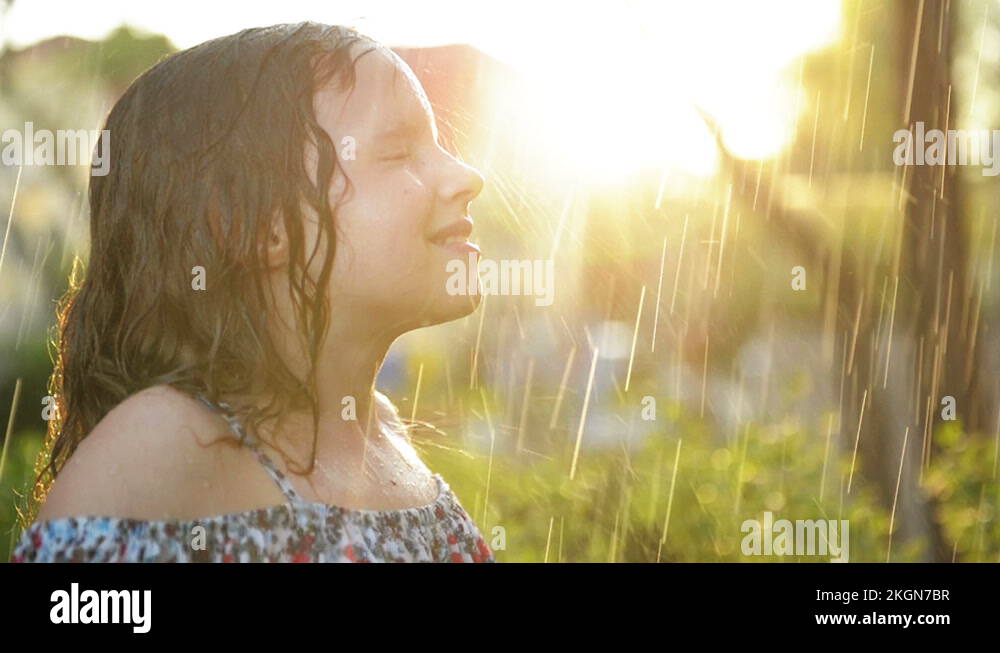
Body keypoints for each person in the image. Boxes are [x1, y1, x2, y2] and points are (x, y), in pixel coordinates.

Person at [11, 22, 494, 562]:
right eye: (399, 151)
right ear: (257, 229)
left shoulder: (379, 430)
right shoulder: (165, 446)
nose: (465, 176)